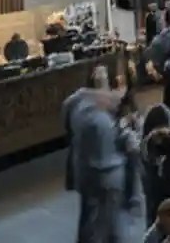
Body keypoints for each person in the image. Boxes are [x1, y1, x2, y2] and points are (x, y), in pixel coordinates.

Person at [70, 88, 127, 243]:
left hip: (84, 174)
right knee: (105, 222)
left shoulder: (80, 111)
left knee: (89, 216)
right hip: (103, 179)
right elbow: (105, 159)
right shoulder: (101, 121)